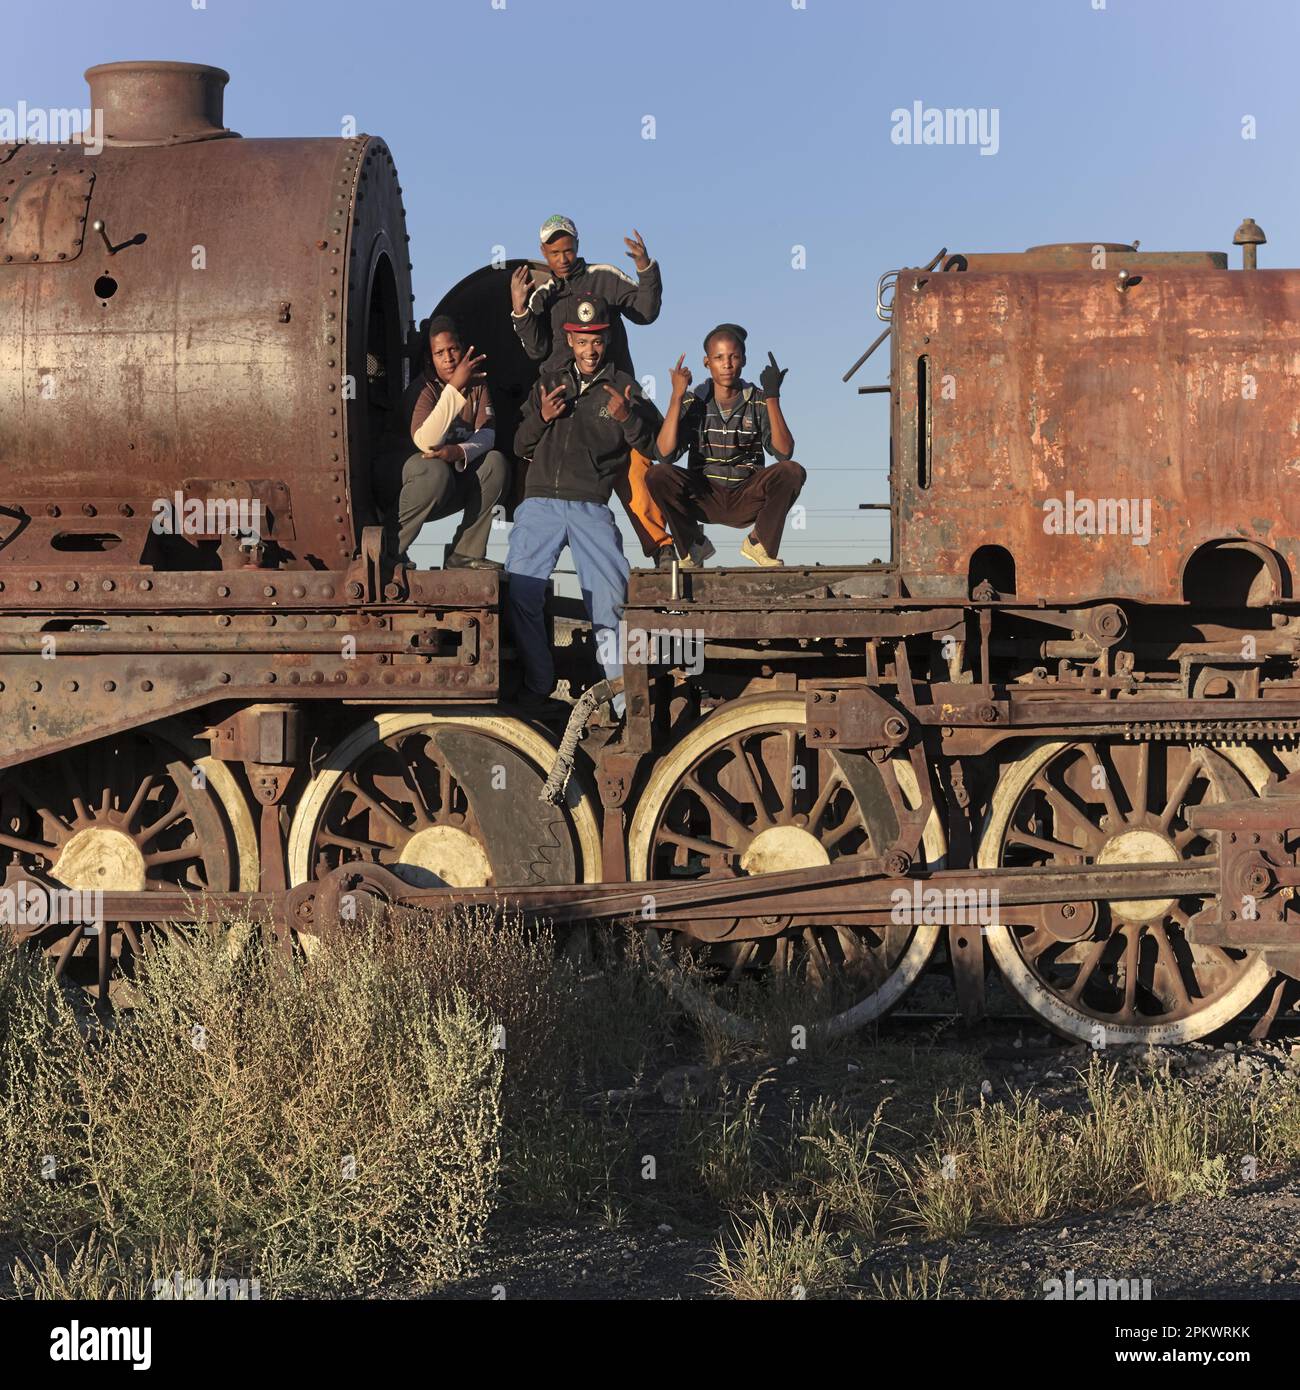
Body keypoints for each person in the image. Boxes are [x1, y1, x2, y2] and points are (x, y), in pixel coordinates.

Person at [505, 295, 662, 720]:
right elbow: (521, 445)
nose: (589, 349)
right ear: (569, 339)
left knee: (609, 605)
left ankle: (623, 706)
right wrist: (541, 416)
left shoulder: (624, 385)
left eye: (596, 340)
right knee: (521, 593)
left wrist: (628, 418)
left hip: (592, 505)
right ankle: (540, 682)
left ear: (606, 338)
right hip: (539, 502)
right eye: (581, 340)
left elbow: (657, 446)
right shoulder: (549, 381)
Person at [510, 214, 672, 567]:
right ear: (543, 252)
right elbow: (537, 350)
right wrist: (520, 309)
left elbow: (645, 311)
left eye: (568, 250)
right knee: (545, 472)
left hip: (610, 396)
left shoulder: (603, 277)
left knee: (633, 465)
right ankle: (532, 567)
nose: (563, 259)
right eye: (554, 253)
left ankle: (662, 546)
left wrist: (646, 268)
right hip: (564, 404)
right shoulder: (544, 294)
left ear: (578, 246)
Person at [646, 323, 805, 568]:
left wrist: (773, 396)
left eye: (733, 357)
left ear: (743, 360)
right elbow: (664, 455)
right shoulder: (693, 400)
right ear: (707, 362)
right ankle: (692, 545)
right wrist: (676, 396)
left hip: (747, 494)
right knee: (657, 474)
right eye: (719, 357)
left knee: (793, 471)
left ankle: (759, 543)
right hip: (705, 495)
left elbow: (784, 452)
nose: (727, 364)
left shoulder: (759, 399)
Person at [374, 315, 508, 569]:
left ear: (463, 348)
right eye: (439, 353)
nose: (448, 358)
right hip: (403, 483)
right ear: (430, 358)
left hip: (444, 484)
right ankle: (389, 551)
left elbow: (487, 434)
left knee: (495, 463)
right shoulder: (423, 389)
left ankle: (465, 554)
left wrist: (458, 451)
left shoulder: (478, 384)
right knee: (434, 471)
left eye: (453, 349)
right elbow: (426, 441)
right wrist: (455, 389)